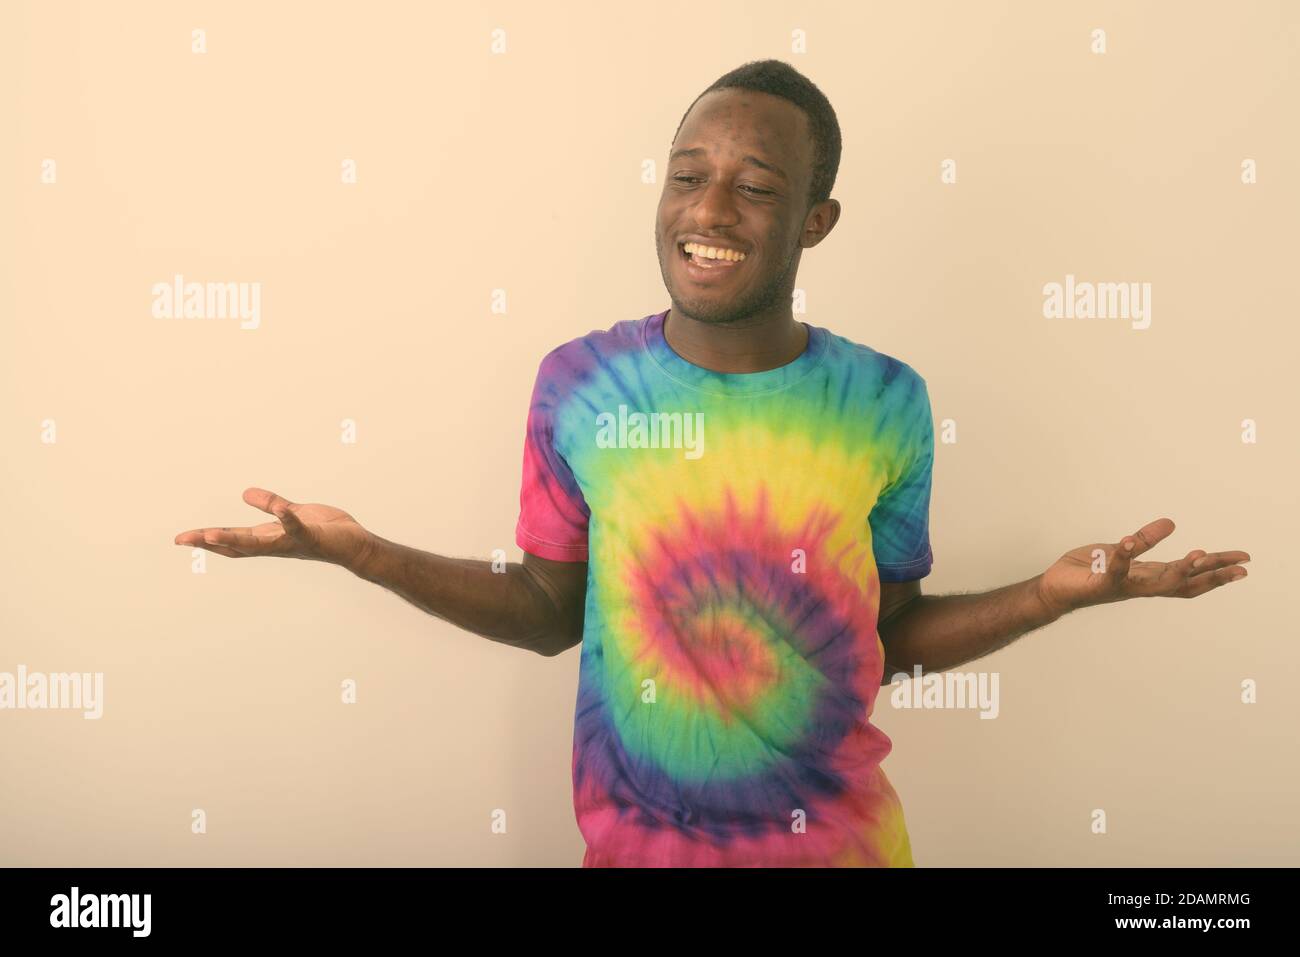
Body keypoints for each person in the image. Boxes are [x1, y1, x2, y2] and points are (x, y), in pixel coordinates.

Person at [174, 60, 1250, 867]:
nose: (708, 209)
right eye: (688, 175)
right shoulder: (578, 386)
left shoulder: (884, 401)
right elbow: (553, 611)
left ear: (815, 222)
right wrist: (364, 554)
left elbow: (886, 638)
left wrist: (1051, 597)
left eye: (754, 186)